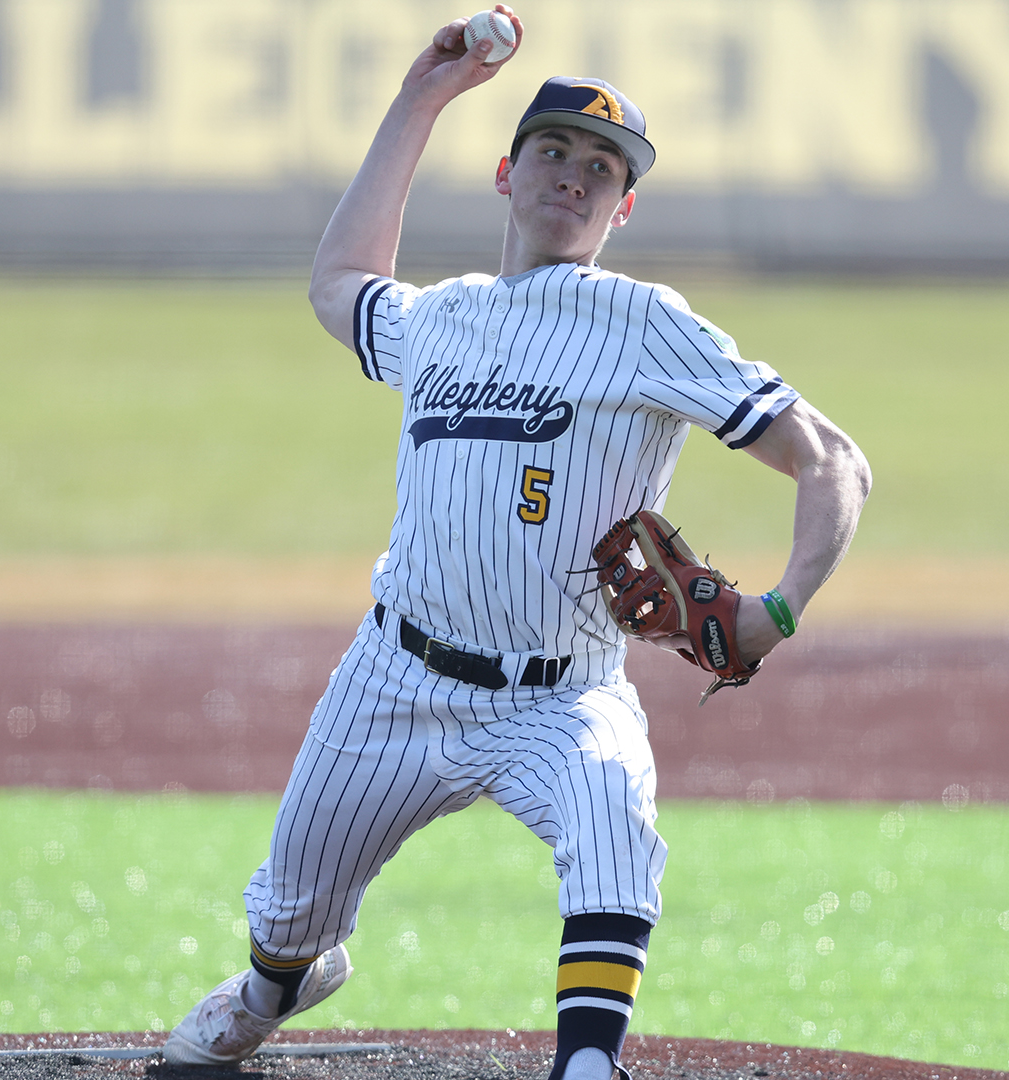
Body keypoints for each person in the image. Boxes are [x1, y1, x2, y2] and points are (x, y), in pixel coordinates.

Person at [162, 8, 873, 1078]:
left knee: (614, 831)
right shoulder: (441, 319)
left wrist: (779, 610)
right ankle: (278, 987)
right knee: (290, 914)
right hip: (394, 677)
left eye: (602, 167)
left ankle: (588, 1063)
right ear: (507, 172)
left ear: (623, 206)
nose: (574, 177)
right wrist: (422, 95)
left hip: (563, 692)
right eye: (554, 152)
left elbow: (833, 461)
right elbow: (338, 288)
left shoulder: (641, 322)